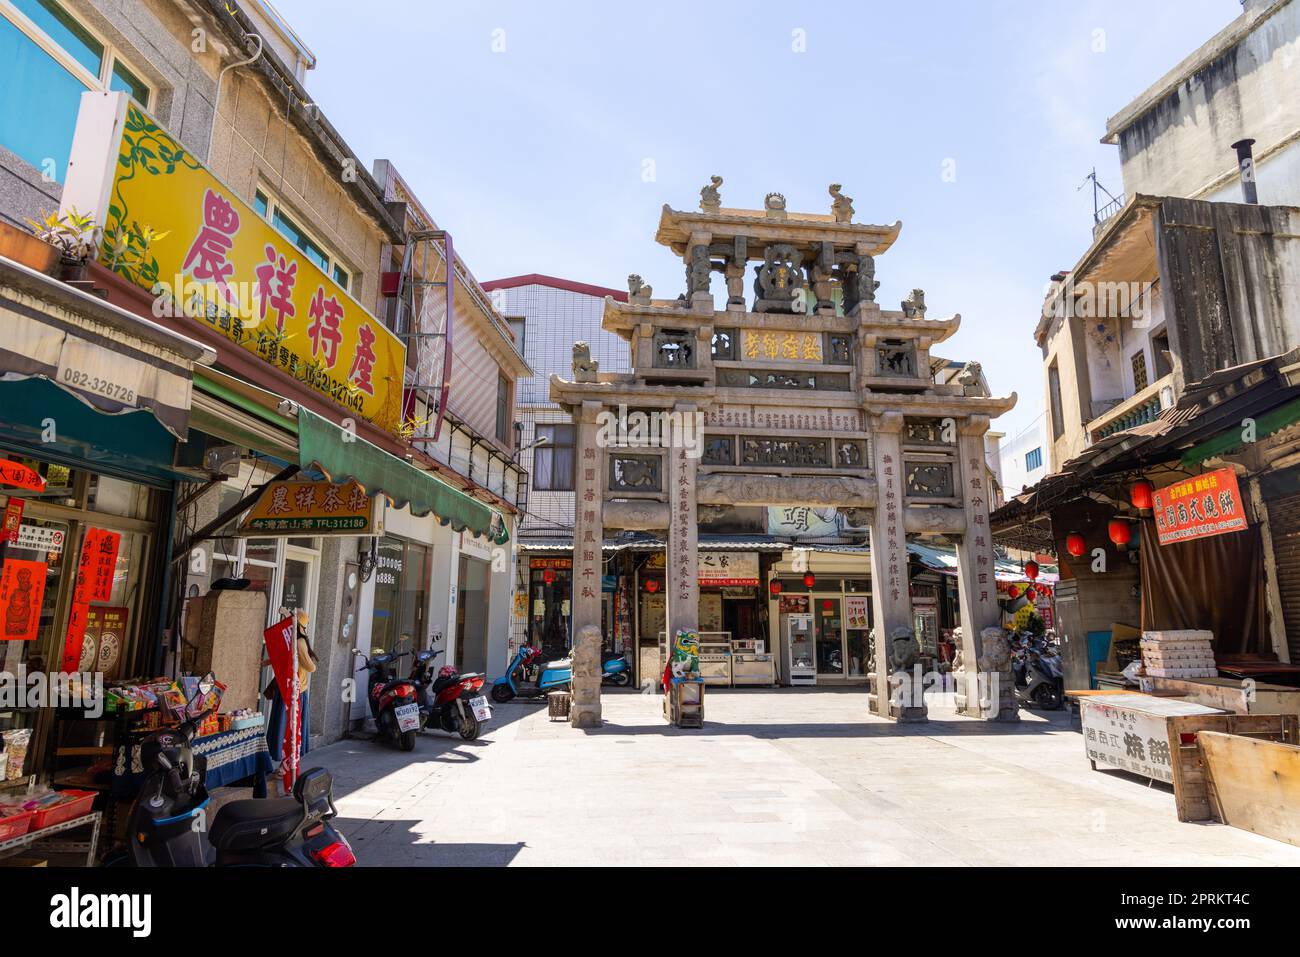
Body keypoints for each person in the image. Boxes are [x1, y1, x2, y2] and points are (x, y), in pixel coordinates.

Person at [265, 607, 318, 769]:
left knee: (283, 729)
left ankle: (285, 766)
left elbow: (280, 658)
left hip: (286, 689)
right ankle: (286, 766)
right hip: (295, 691)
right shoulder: (299, 641)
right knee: (291, 731)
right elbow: (311, 668)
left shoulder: (292, 640)